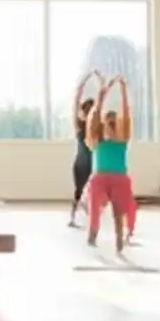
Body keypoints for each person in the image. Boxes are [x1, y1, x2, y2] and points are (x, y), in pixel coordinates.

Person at [84, 75, 136, 252]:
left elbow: (126, 113)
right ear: (103, 125)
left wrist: (122, 90)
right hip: (99, 178)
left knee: (118, 211)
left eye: (114, 123)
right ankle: (93, 232)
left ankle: (119, 238)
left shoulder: (122, 139)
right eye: (109, 123)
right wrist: (101, 96)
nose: (112, 126)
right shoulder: (97, 140)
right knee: (94, 208)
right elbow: (95, 116)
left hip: (119, 178)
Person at [69, 71, 102, 227]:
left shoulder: (96, 129)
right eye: (85, 110)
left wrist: (102, 85)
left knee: (93, 194)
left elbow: (100, 106)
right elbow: (76, 102)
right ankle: (74, 216)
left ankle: (90, 216)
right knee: (79, 191)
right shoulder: (79, 127)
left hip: (94, 165)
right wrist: (84, 81)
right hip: (81, 164)